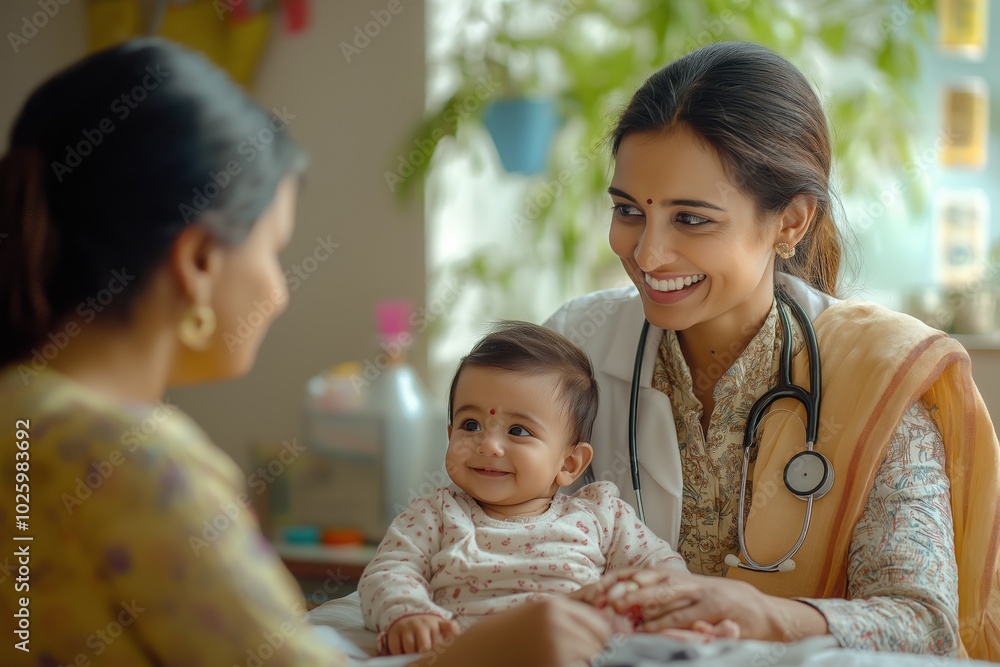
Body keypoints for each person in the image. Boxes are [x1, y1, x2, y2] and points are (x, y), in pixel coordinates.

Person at [0, 37, 617, 667]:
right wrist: (476, 656)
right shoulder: (141, 463)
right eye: (273, 252)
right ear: (199, 261)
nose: (277, 293)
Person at [543, 41, 1000, 660]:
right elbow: (478, 543)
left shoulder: (879, 375)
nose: (647, 255)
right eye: (629, 210)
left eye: (692, 219)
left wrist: (767, 614)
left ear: (790, 221)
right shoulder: (575, 345)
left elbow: (924, 624)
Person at [359, 322, 739, 655]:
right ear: (449, 434)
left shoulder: (599, 515)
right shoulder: (435, 515)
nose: (488, 445)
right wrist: (408, 613)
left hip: (582, 649)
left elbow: (658, 566)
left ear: (569, 463)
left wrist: (674, 606)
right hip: (478, 650)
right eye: (470, 425)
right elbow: (387, 572)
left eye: (518, 431)